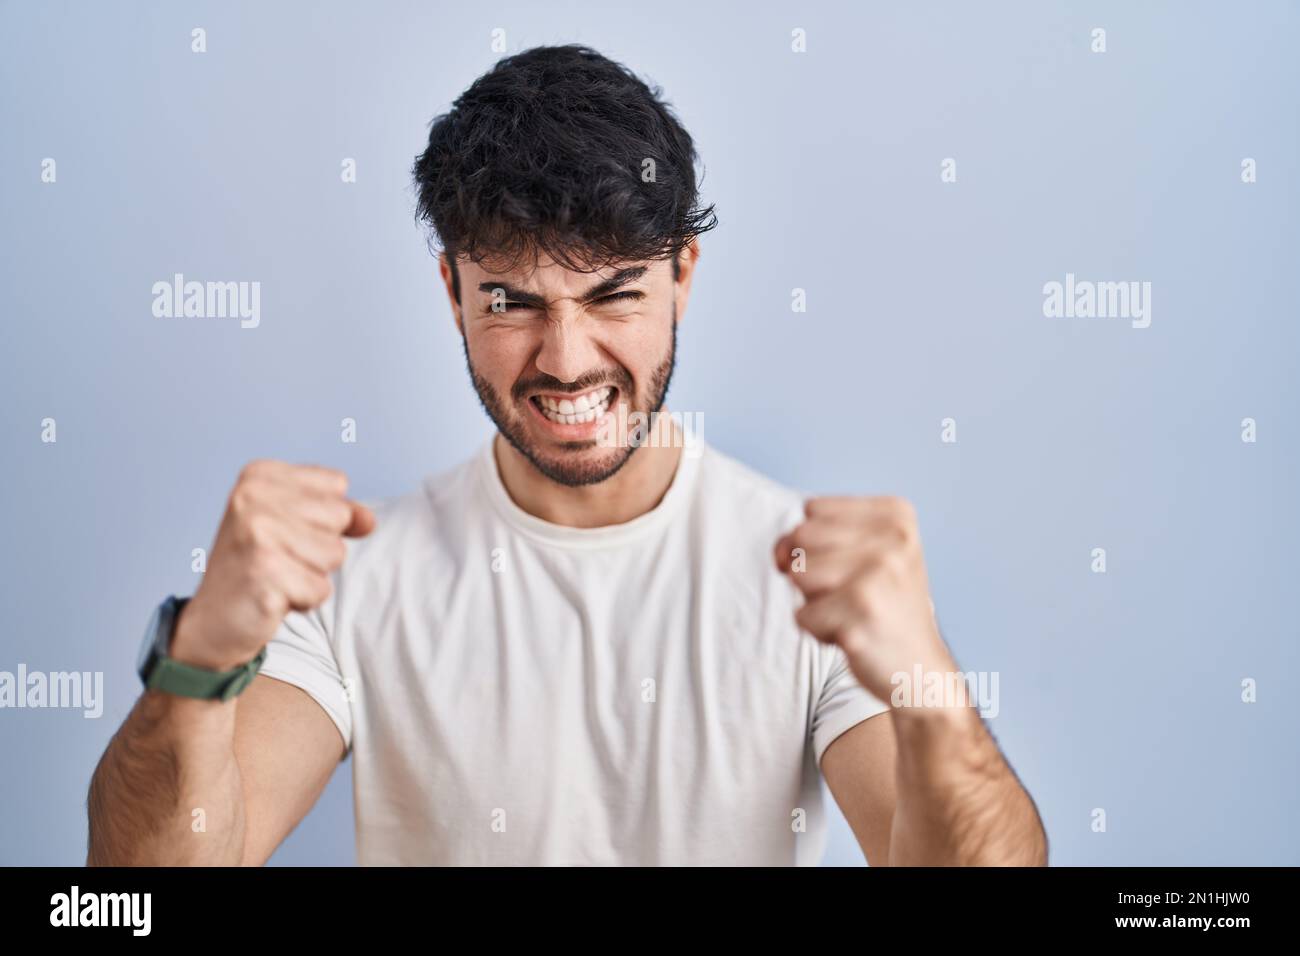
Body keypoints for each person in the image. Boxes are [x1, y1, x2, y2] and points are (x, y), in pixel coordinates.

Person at [87, 44, 1046, 866]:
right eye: (512, 300)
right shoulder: (350, 591)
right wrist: (197, 658)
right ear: (452, 294)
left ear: (684, 277)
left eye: (614, 294)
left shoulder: (809, 592)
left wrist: (930, 685)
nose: (567, 358)